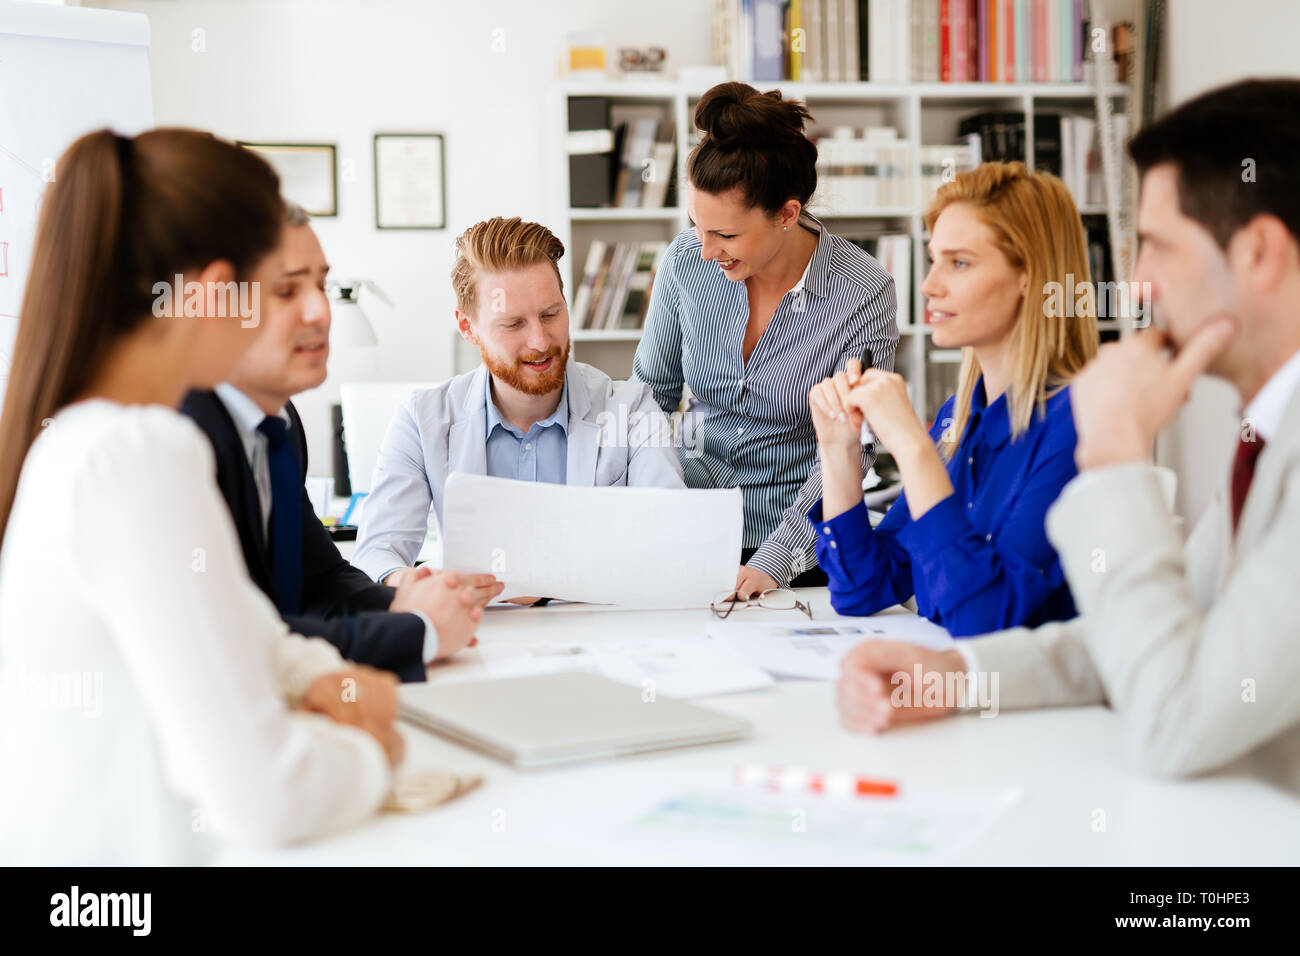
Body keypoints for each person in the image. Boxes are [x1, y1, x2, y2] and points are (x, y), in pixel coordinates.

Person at [835, 79, 1300, 795]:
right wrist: (960, 676)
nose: (1137, 286)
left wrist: (1115, 458)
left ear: (1259, 254)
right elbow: (1139, 642)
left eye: (1157, 247)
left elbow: (1175, 719)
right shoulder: (1268, 440)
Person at [0, 129, 439, 863]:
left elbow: (248, 626)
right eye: (277, 287)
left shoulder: (84, 440)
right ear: (212, 293)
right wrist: (375, 750)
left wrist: (326, 677)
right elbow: (266, 796)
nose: (305, 314)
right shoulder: (141, 456)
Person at [181, 204, 501, 681]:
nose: (321, 311)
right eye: (288, 289)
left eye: (321, 285)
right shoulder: (180, 435)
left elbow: (322, 580)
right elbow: (236, 641)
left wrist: (409, 598)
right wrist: (420, 631)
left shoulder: (278, 422)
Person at [632, 81, 900, 599]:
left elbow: (852, 447)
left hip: (800, 550)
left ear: (787, 214)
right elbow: (649, 400)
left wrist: (773, 563)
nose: (706, 249)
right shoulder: (686, 260)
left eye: (726, 235)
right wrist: (650, 516)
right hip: (687, 531)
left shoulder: (863, 292)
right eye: (697, 226)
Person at [807, 162, 1097, 635]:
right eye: (933, 259)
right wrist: (838, 448)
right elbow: (866, 587)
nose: (929, 285)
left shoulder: (1080, 421)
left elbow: (987, 622)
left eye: (959, 263)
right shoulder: (959, 420)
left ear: (1030, 276)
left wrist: (912, 447)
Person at [352, 216, 683, 589]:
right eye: (513, 324)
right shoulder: (422, 419)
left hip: (598, 629)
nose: (541, 341)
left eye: (550, 314)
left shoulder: (633, 410)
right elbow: (377, 552)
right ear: (468, 328)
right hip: (480, 630)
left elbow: (671, 539)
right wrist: (408, 583)